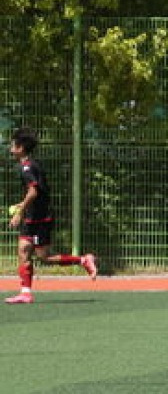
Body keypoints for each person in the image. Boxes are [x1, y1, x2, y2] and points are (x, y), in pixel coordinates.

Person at [6, 127, 98, 304]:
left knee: (44, 257)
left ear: (21, 148)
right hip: (33, 217)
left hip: (40, 219)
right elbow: (36, 192)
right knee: (23, 250)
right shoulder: (30, 164)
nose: (10, 148)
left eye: (13, 144)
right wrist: (22, 206)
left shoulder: (27, 168)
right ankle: (25, 293)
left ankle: (84, 260)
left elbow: (33, 192)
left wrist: (19, 211)